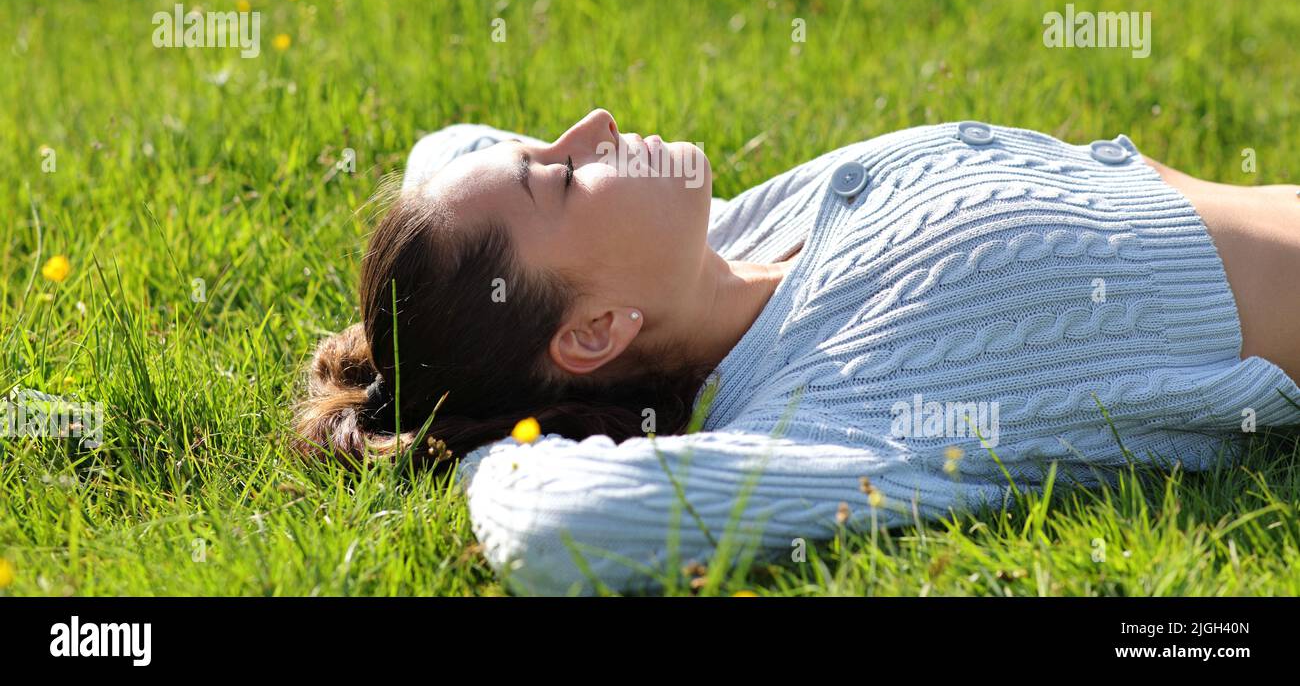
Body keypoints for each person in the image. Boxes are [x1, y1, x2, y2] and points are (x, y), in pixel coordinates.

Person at [292, 110, 1300, 595]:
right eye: (560, 178)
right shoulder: (824, 414)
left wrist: (413, 369)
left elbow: (444, 148)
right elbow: (561, 525)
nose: (589, 126)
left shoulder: (741, 233)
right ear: (595, 334)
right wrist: (463, 437)